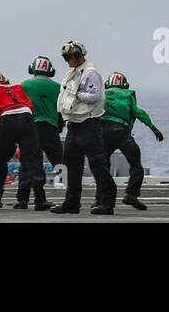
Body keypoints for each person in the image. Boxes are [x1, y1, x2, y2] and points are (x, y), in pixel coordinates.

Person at [50, 40, 117, 215]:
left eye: (74, 56)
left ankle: (107, 202)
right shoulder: (73, 73)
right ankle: (71, 202)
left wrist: (77, 94)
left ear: (81, 55)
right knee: (71, 165)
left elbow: (94, 96)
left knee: (97, 164)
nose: (71, 59)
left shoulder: (90, 73)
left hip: (88, 124)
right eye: (68, 57)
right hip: (74, 125)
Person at [0, 71, 49, 211]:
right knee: (33, 159)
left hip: (7, 120)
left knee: (0, 162)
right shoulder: (16, 87)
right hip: (27, 117)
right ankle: (40, 199)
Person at [102, 71, 164, 211]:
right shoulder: (128, 95)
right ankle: (131, 194)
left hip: (102, 132)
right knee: (136, 165)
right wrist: (154, 128)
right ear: (125, 85)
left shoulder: (102, 94)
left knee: (102, 167)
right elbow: (139, 113)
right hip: (121, 133)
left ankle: (101, 199)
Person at [21, 55, 63, 172]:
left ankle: (29, 188)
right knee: (59, 161)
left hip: (31, 128)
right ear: (50, 71)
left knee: (28, 162)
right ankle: (67, 184)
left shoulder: (23, 86)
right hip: (51, 128)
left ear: (32, 68)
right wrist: (59, 127)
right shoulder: (58, 87)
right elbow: (62, 110)